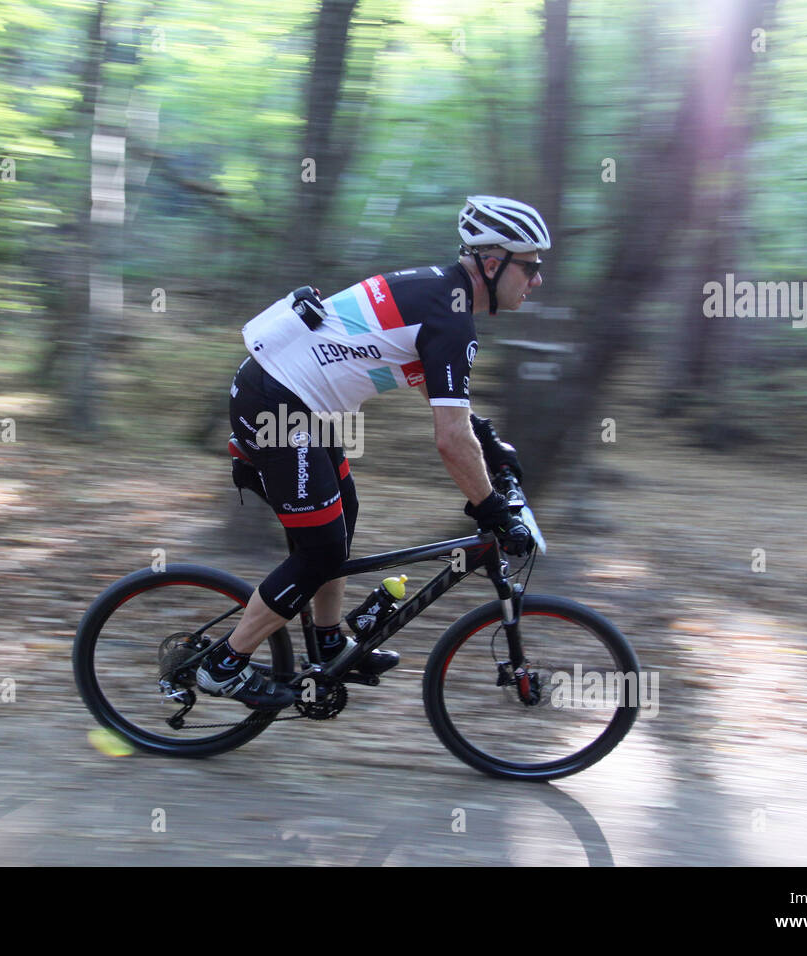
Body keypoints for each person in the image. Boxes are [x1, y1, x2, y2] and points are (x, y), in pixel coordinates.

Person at [198, 195, 548, 709]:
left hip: (299, 405)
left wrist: (488, 442)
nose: (537, 280)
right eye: (531, 267)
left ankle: (328, 642)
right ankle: (222, 665)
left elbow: (443, 399)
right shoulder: (450, 316)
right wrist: (492, 509)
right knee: (320, 552)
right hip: (278, 407)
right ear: (493, 265)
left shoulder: (441, 296)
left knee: (341, 521)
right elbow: (449, 440)